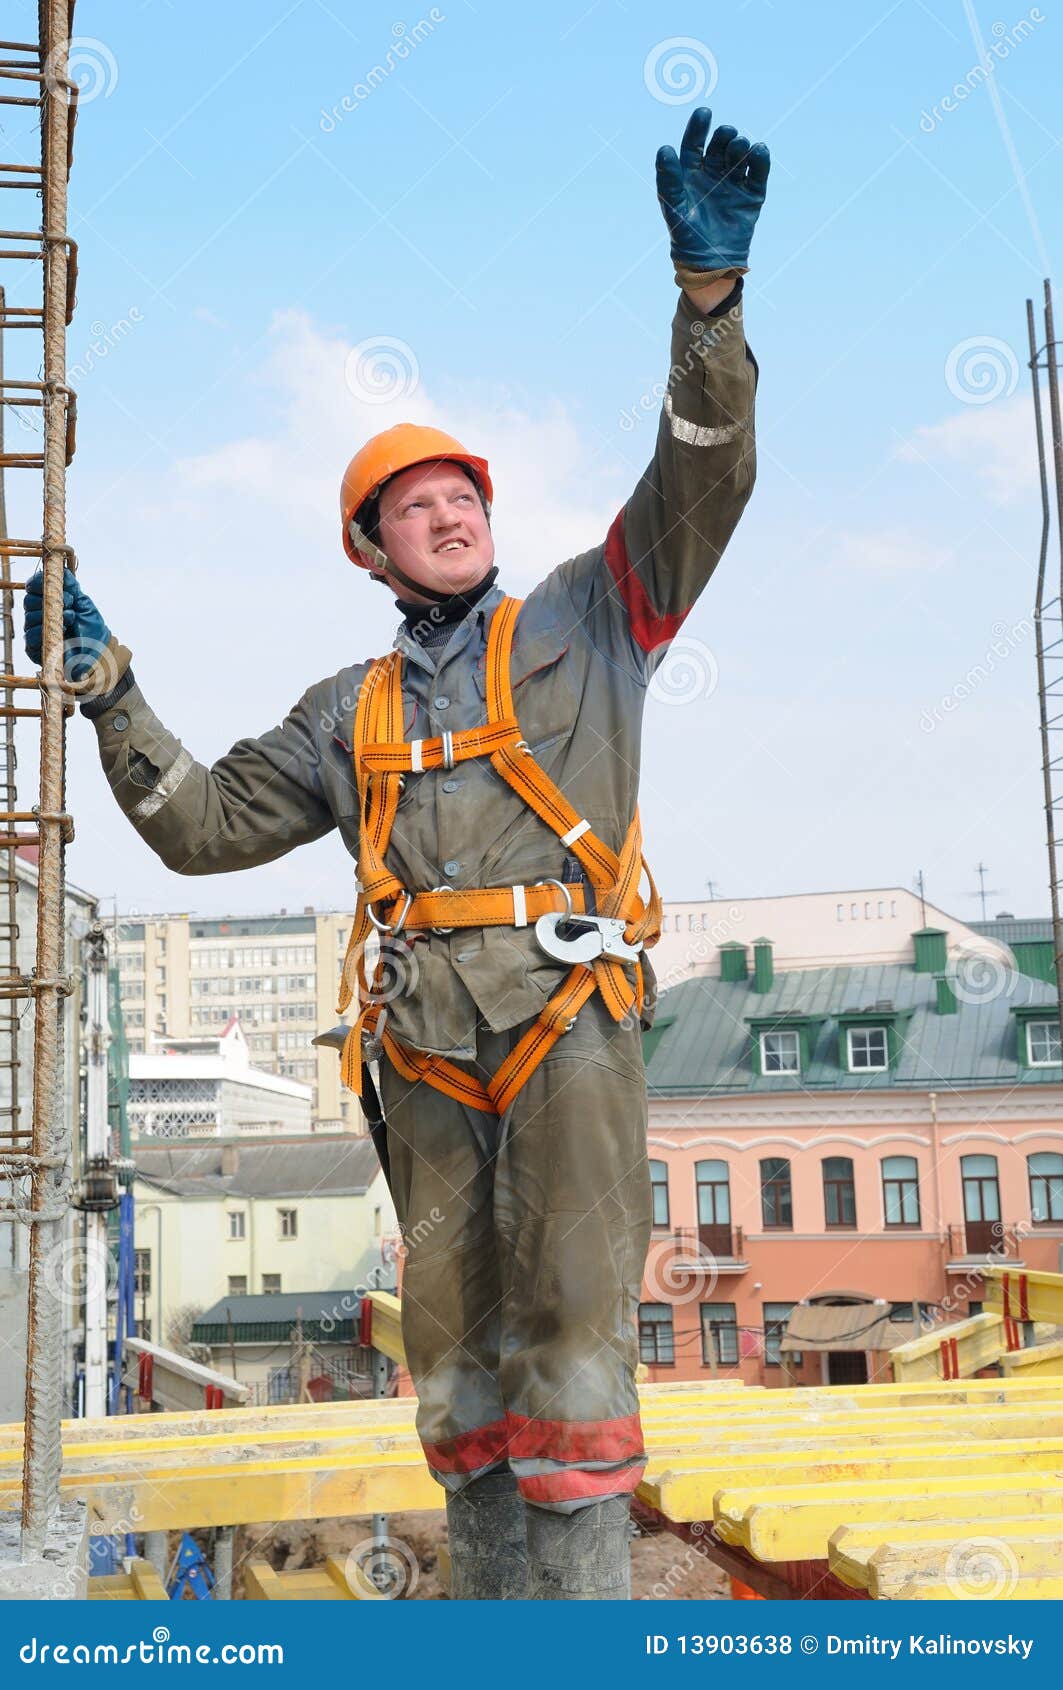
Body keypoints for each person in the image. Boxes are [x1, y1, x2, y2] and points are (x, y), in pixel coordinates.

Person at [26, 108, 768, 1599]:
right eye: (415, 506)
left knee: (571, 1350)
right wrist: (113, 694)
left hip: (566, 1027)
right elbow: (203, 824)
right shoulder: (346, 712)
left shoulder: (584, 621)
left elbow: (704, 484)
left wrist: (709, 311)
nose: (450, 514)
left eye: (465, 498)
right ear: (367, 549)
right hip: (423, 1050)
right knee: (460, 1372)